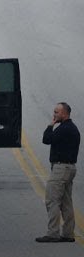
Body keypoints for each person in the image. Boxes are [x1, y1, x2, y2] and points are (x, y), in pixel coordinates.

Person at [37, 102, 79, 243]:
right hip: (69, 168)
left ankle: (53, 233)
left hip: (61, 169)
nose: (54, 114)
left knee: (52, 200)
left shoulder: (64, 129)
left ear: (65, 113)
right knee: (66, 202)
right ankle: (68, 234)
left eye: (57, 112)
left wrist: (51, 125)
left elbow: (46, 139)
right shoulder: (71, 128)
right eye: (54, 112)